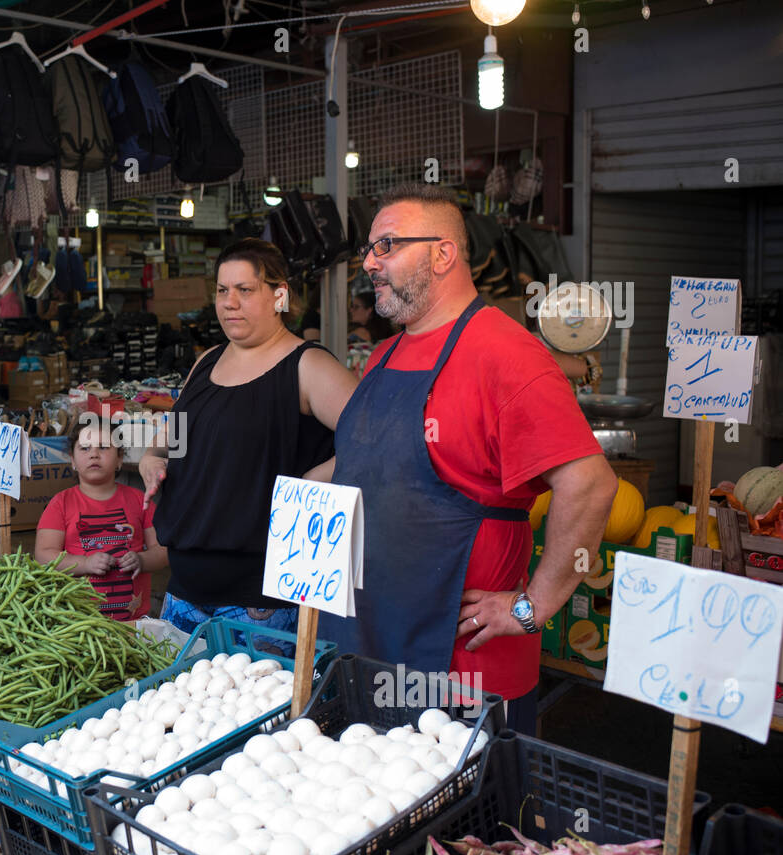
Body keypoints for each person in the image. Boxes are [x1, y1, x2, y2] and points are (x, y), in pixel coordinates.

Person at [319, 183, 616, 734]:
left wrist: (533, 607)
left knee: (471, 817)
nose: (369, 263)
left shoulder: (507, 356)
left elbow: (592, 485)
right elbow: (363, 468)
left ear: (442, 253)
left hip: (461, 669)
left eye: (386, 246)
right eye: (370, 248)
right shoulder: (386, 354)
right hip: (372, 641)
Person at [141, 239, 359, 639]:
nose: (230, 302)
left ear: (279, 296)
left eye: (245, 290)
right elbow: (178, 432)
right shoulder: (207, 361)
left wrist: (319, 476)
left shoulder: (308, 365)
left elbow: (373, 440)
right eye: (223, 290)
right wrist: (152, 456)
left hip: (260, 602)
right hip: (185, 589)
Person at [36, 416, 167, 621]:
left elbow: (163, 551)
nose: (94, 454)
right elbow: (43, 556)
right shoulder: (61, 504)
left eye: (104, 447)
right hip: (77, 623)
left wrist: (142, 559)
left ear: (120, 458)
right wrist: (85, 563)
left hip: (133, 623)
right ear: (72, 460)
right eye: (85, 448)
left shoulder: (141, 501)